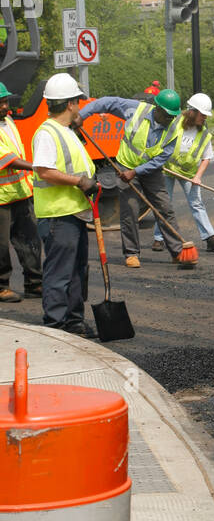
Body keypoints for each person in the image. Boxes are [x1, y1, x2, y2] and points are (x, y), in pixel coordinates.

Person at [76, 89, 188, 268]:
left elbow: (161, 158)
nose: (170, 119)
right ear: (157, 109)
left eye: (173, 116)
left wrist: (136, 172)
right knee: (130, 210)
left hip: (150, 170)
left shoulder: (174, 128)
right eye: (167, 115)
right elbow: (106, 101)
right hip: (125, 166)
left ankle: (178, 251)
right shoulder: (136, 110)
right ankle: (131, 253)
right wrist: (82, 115)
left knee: (164, 208)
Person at [32, 73, 99, 337]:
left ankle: (73, 321)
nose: (80, 106)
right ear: (70, 104)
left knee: (76, 271)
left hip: (73, 212)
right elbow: (44, 171)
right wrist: (79, 181)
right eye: (78, 102)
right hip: (58, 215)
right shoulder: (47, 133)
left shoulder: (66, 131)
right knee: (59, 274)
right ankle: (56, 326)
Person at [152, 93, 214, 253]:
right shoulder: (174, 122)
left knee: (197, 203)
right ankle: (159, 238)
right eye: (202, 114)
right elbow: (159, 140)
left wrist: (197, 176)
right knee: (164, 203)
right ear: (192, 111)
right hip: (167, 169)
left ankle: (210, 237)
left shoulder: (204, 132)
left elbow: (206, 158)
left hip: (188, 173)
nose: (205, 118)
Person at [0, 80, 42, 302]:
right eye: (1, 102)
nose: (6, 106)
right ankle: (1, 286)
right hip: (1, 198)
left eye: (6, 101)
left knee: (29, 240)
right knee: (1, 245)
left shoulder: (7, 121)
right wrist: (36, 166)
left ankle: (34, 283)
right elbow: (7, 159)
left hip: (19, 192)